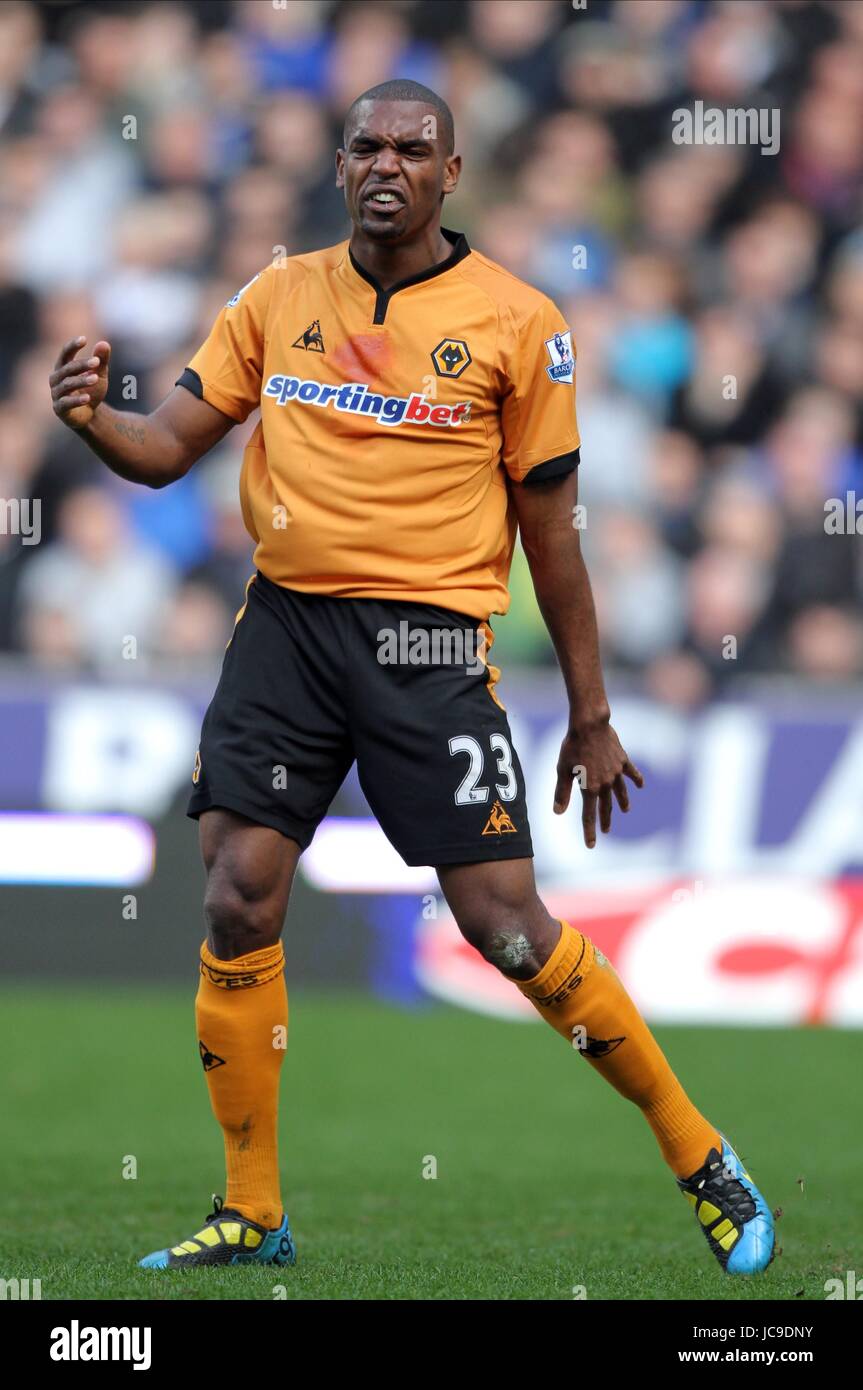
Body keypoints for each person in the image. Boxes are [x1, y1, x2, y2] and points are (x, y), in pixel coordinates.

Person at [49, 80, 773, 1276]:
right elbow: (164, 451)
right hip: (284, 632)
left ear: (451, 172)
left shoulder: (514, 320)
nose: (385, 164)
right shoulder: (277, 296)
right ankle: (251, 1208)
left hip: (429, 646)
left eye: (412, 148)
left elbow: (555, 540)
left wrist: (590, 716)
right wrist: (91, 422)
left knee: (504, 928)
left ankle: (698, 1151)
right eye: (365, 146)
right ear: (338, 165)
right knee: (236, 890)